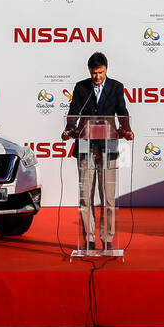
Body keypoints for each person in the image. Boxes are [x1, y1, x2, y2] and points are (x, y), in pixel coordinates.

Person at [62, 52, 133, 250]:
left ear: (106, 69)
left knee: (108, 197)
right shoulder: (81, 87)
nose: (97, 77)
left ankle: (108, 239)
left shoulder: (116, 87)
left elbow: (122, 111)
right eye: (94, 73)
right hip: (85, 147)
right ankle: (90, 239)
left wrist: (126, 130)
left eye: (100, 73)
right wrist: (69, 129)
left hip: (108, 147)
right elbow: (74, 112)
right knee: (86, 197)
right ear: (89, 71)